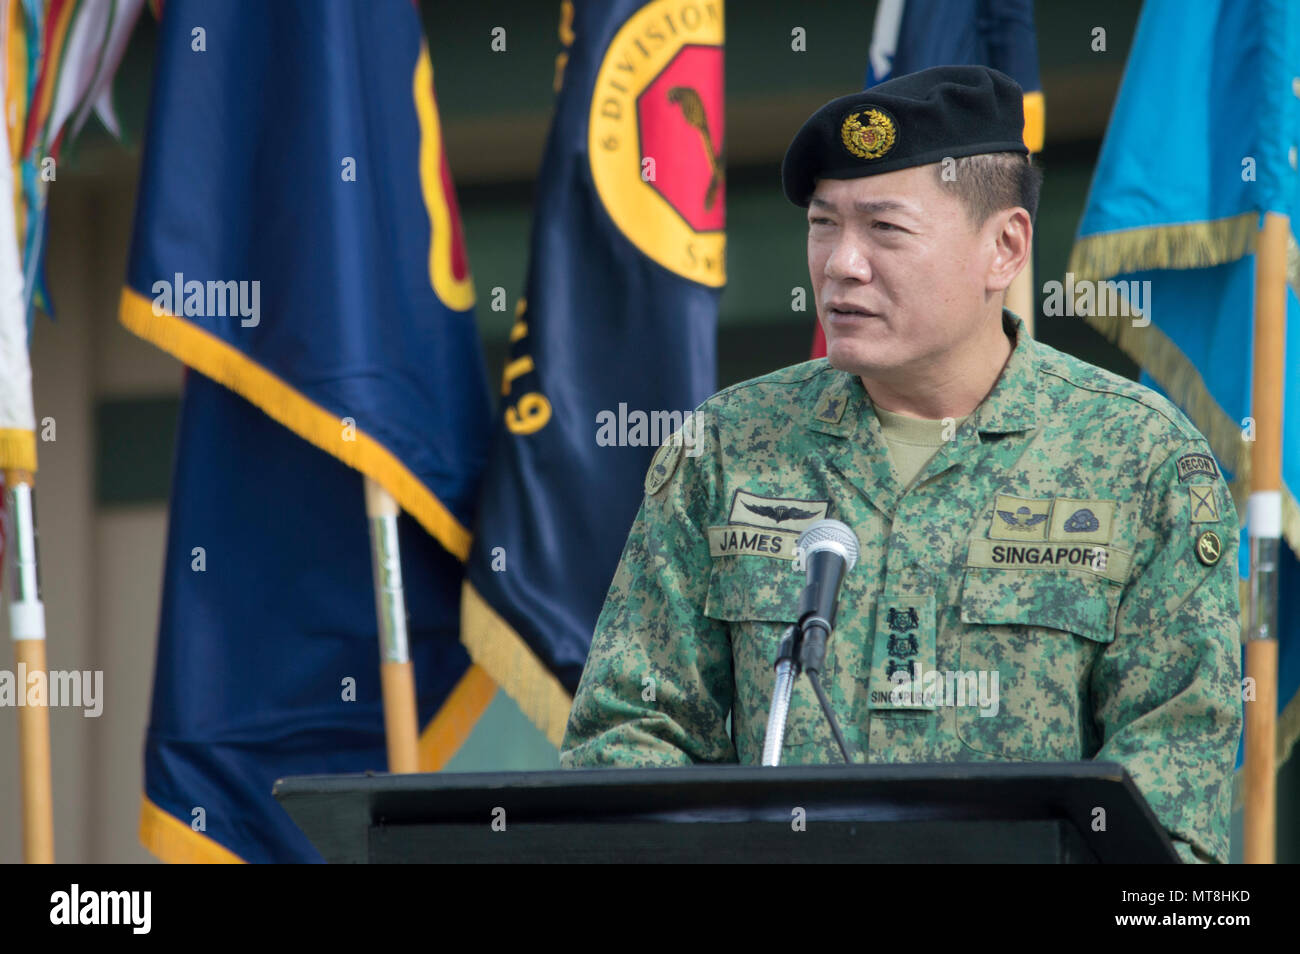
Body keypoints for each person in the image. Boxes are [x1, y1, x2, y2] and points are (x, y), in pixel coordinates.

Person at [559, 65, 1242, 864]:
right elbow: (629, 739)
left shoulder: (1141, 460)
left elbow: (1170, 814)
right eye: (824, 224)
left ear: (1005, 246)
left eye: (885, 229)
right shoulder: (729, 447)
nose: (842, 264)